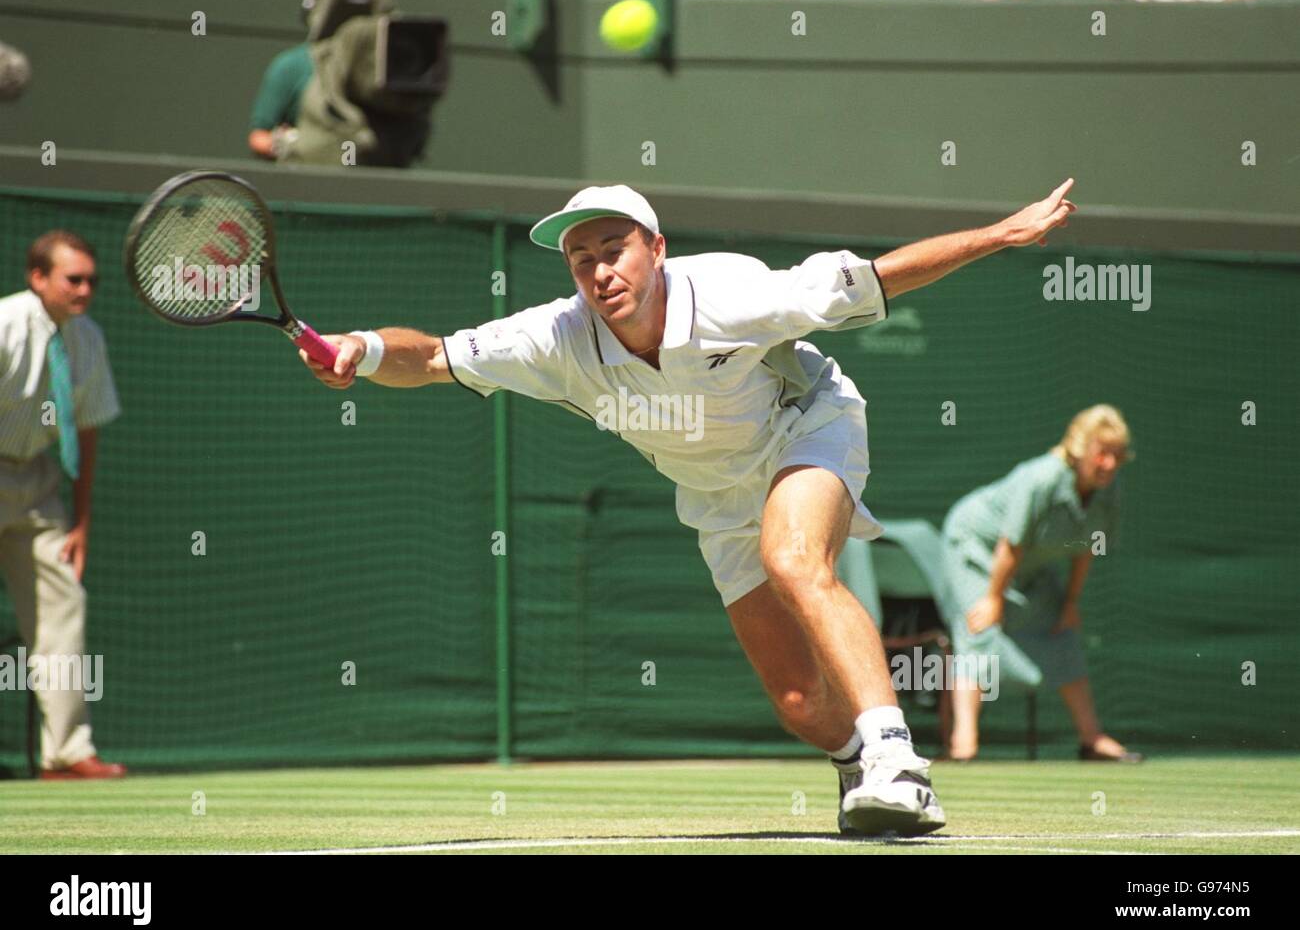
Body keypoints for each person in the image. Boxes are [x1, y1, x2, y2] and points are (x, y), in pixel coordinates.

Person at [301, 180, 1077, 835]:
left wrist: (1004, 234)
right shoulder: (555, 339)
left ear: (656, 247)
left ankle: (898, 763)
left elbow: (877, 279)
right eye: (582, 259)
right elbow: (434, 356)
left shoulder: (734, 293)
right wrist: (362, 350)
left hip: (806, 423)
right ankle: (855, 767)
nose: (599, 270)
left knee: (795, 556)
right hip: (715, 495)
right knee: (800, 700)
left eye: (614, 249)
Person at [940, 405, 1142, 763]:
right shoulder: (1041, 479)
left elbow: (1086, 549)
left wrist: (1069, 604)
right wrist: (993, 599)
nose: (1110, 464)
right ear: (1080, 450)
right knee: (980, 628)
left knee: (1061, 631)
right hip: (976, 544)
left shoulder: (1108, 489)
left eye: (1117, 455)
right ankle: (964, 743)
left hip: (1027, 561)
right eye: (1102, 454)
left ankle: (1091, 738)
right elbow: (1009, 546)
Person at [0, 232, 124, 779]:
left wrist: (83, 522)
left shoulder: (87, 338)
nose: (84, 289)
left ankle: (67, 752)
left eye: (91, 280)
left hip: (39, 481)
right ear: (38, 278)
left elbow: (88, 429)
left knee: (63, 598)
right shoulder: (4, 326)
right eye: (73, 279)